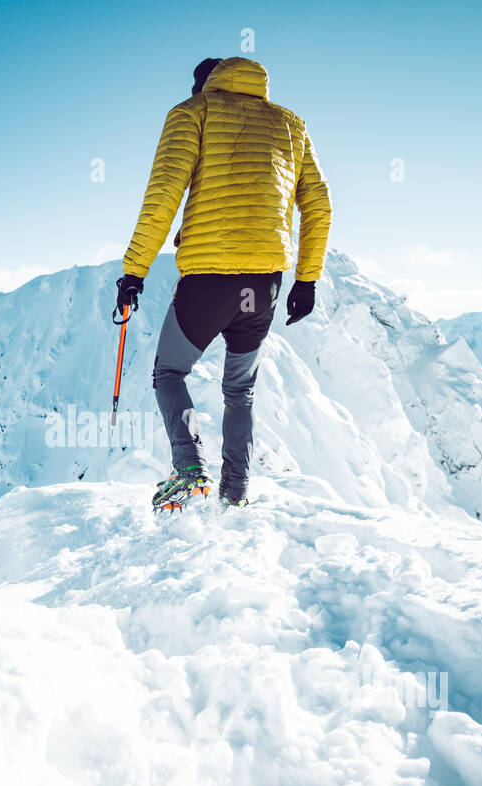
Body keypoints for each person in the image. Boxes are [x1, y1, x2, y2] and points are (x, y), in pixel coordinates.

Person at [115, 56, 331, 509]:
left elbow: (163, 196)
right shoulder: (291, 124)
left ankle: (190, 466)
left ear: (204, 85)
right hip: (266, 283)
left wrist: (134, 271)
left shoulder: (193, 112)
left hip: (209, 279)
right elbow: (318, 204)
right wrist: (306, 280)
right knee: (240, 390)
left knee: (169, 373)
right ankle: (236, 492)